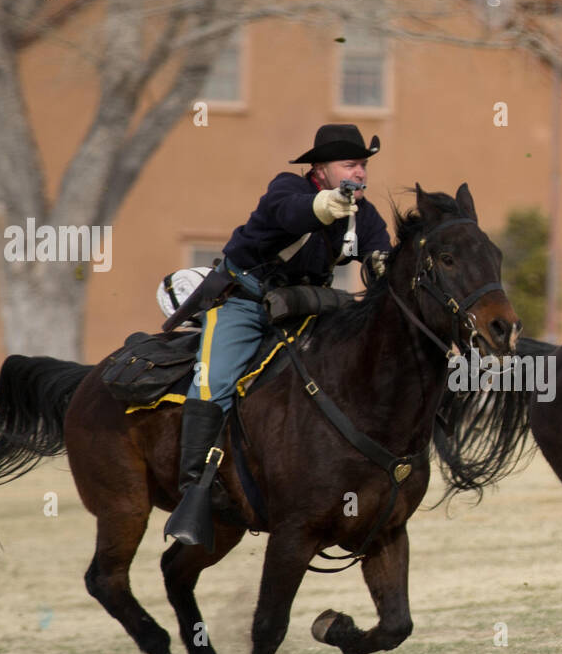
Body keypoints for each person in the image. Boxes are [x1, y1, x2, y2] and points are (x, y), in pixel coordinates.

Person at [165, 124, 392, 547]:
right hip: (244, 302)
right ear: (320, 169)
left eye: (363, 165)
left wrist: (384, 263)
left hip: (305, 307)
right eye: (350, 164)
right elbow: (290, 213)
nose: (360, 173)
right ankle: (195, 488)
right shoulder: (287, 188)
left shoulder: (364, 213)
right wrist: (326, 205)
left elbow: (380, 252)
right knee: (213, 383)